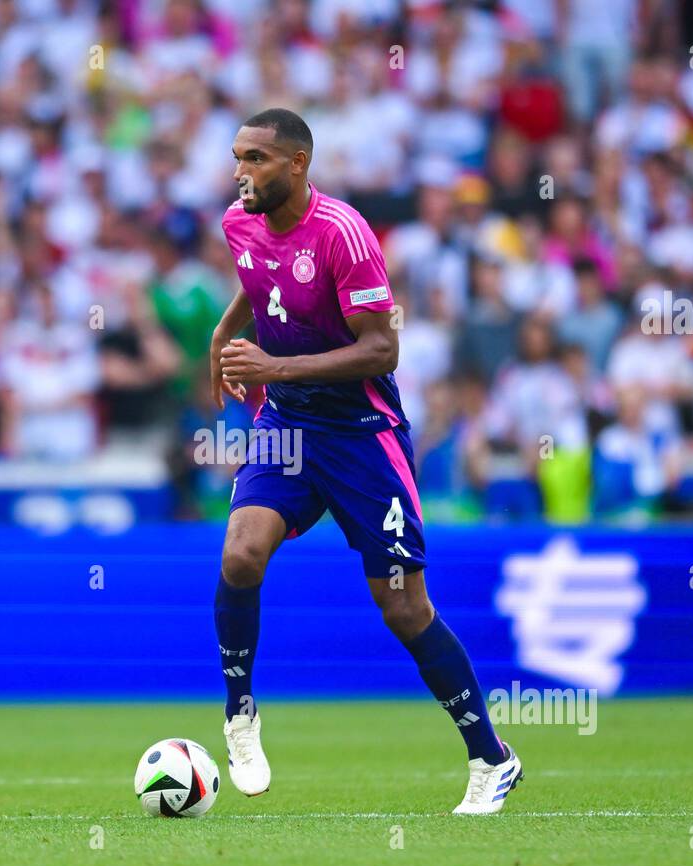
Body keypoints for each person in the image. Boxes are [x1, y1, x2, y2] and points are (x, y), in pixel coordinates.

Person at [209, 108, 521, 815]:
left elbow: (383, 350)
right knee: (239, 556)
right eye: (236, 157)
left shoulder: (345, 234)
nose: (240, 172)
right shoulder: (239, 222)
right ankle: (240, 715)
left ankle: (491, 759)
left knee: (403, 606)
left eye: (255, 158)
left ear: (296, 165)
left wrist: (274, 369)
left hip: (360, 435)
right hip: (288, 428)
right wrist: (225, 333)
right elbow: (263, 280)